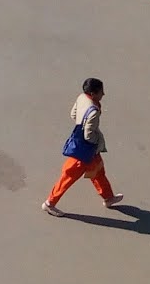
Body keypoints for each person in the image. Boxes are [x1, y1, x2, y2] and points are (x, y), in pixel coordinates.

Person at [42, 78, 123, 215]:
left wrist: (81, 122)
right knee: (68, 176)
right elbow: (88, 135)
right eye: (101, 92)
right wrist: (97, 141)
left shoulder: (81, 98)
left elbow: (73, 114)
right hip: (84, 151)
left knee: (98, 171)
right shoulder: (93, 112)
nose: (103, 94)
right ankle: (50, 203)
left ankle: (108, 197)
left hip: (87, 150)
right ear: (93, 94)